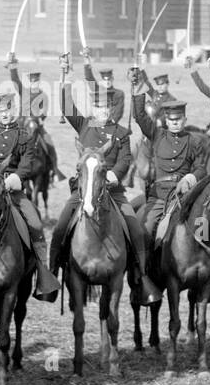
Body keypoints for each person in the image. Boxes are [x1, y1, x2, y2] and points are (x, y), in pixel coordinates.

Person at [48, 73, 162, 303]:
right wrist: (66, 81)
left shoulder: (121, 134)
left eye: (105, 107)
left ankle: (140, 274)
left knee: (135, 229)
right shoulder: (84, 125)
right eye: (97, 106)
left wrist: (114, 174)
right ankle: (52, 274)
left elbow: (125, 159)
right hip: (83, 193)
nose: (101, 111)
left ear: (111, 109)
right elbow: (67, 106)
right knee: (60, 226)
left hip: (113, 192)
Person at [0, 67, 61, 302]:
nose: (4, 114)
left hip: (12, 192)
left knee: (36, 224)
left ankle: (42, 275)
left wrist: (14, 179)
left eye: (7, 110)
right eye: (0, 111)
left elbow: (27, 164)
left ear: (13, 110)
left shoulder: (23, 135)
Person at [130, 80, 210, 247]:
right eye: (171, 120)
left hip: (186, 194)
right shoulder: (157, 135)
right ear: (167, 121)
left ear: (184, 119)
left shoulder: (194, 141)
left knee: (205, 230)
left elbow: (201, 168)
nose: (175, 123)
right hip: (160, 196)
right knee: (144, 231)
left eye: (178, 120)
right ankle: (144, 270)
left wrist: (190, 178)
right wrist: (138, 94)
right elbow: (140, 118)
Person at [82, 49, 125, 124]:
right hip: (96, 123)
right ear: (102, 80)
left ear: (112, 79)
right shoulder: (97, 90)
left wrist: (112, 122)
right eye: (105, 80)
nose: (107, 82)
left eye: (109, 79)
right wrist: (86, 60)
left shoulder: (118, 94)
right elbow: (89, 77)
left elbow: (119, 111)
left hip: (110, 123)